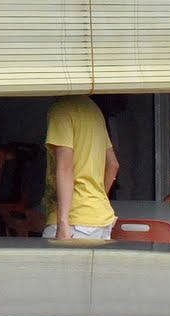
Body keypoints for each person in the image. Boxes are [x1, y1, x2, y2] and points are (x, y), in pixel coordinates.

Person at [41, 95, 119, 239]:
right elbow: (113, 164)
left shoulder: (61, 110)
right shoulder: (94, 110)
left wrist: (62, 222)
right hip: (100, 218)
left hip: (74, 221)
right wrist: (97, 199)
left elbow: (65, 167)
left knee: (48, 261)